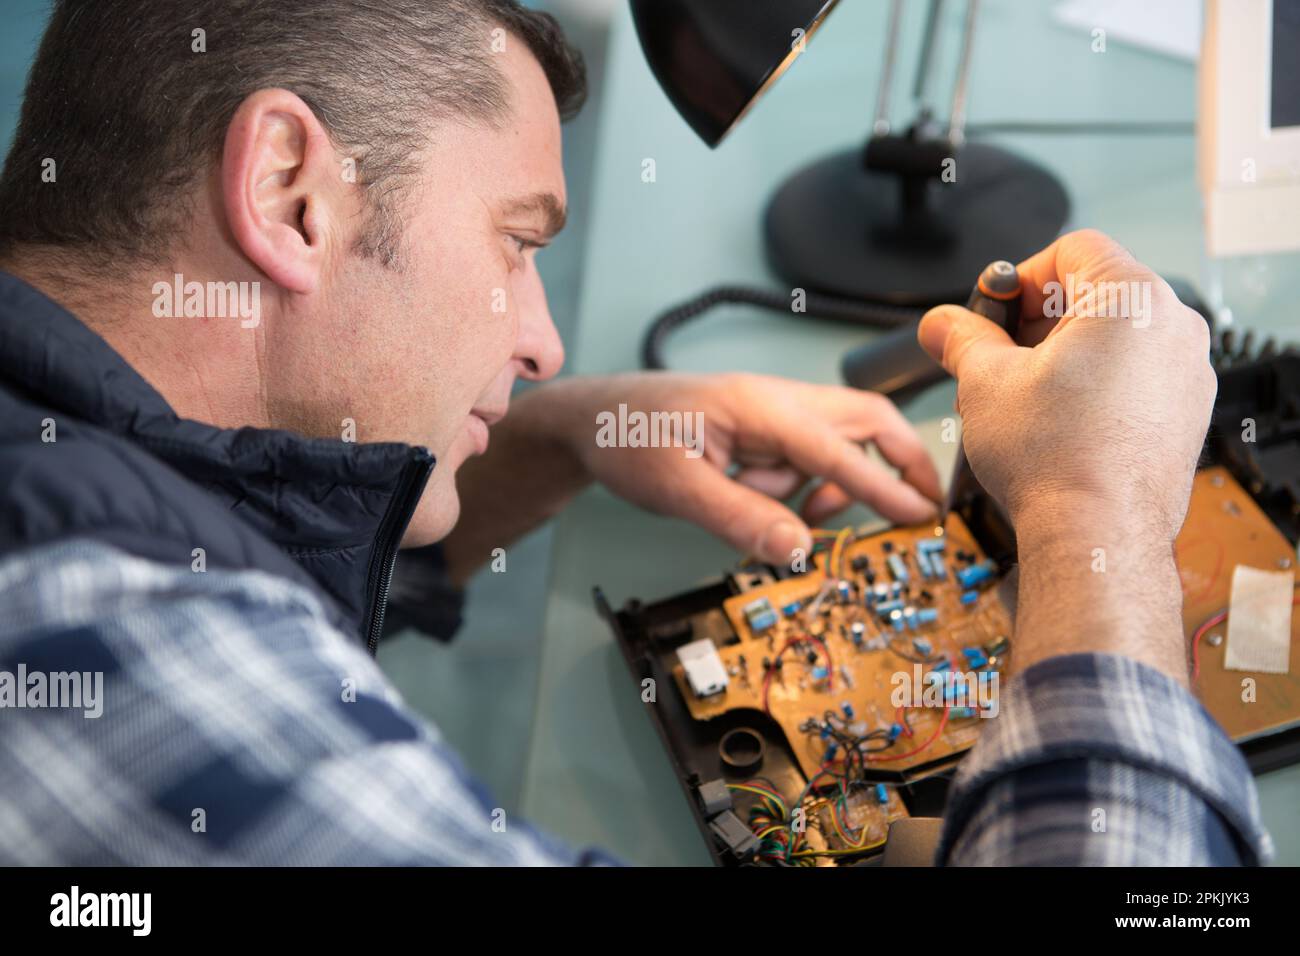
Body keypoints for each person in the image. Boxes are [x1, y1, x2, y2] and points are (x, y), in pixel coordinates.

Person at [0, 0, 1270, 866]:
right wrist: (1097, 504)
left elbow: (227, 542)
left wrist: (559, 437)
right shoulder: (105, 662)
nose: (547, 338)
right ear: (291, 190)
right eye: (518, 240)